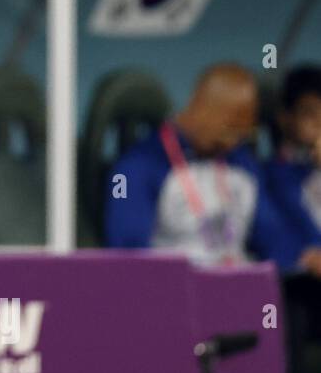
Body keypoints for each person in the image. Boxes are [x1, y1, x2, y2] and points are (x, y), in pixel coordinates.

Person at [104, 62, 298, 268]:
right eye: (228, 128)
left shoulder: (242, 162)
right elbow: (129, 255)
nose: (231, 142)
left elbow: (272, 235)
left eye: (241, 134)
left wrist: (303, 256)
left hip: (239, 285)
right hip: (173, 290)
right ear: (200, 108)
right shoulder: (136, 167)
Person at [265, 64, 321, 373]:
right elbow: (269, 235)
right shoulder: (273, 175)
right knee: (291, 299)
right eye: (310, 114)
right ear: (286, 119)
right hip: (305, 287)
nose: (319, 125)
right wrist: (306, 256)